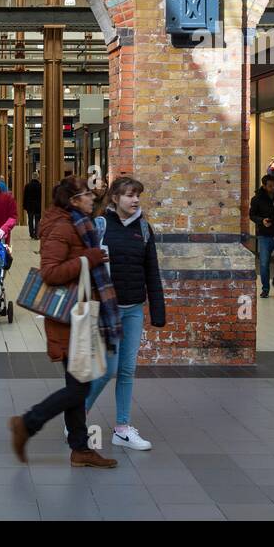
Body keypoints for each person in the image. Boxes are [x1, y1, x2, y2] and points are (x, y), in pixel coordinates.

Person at [8, 176, 119, 468]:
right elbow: (50, 272)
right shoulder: (62, 228)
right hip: (69, 318)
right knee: (79, 386)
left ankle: (80, 449)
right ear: (73, 201)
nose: (92, 197)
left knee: (78, 382)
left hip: (79, 316)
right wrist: (89, 259)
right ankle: (28, 423)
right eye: (86, 194)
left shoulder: (80, 224)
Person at [84, 176, 165, 451]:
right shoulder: (100, 226)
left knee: (128, 369)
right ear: (115, 198)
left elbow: (151, 271)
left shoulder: (143, 229)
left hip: (133, 309)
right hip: (107, 309)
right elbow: (85, 265)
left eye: (137, 195)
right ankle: (76, 417)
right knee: (109, 369)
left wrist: (157, 310)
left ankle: (122, 428)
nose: (135, 200)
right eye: (130, 195)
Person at [23, 172, 42, 239]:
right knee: (37, 220)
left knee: (30, 220)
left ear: (32, 177)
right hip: (38, 205)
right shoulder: (40, 186)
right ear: (38, 177)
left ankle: (31, 234)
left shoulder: (27, 185)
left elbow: (25, 197)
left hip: (29, 205)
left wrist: (24, 206)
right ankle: (36, 234)